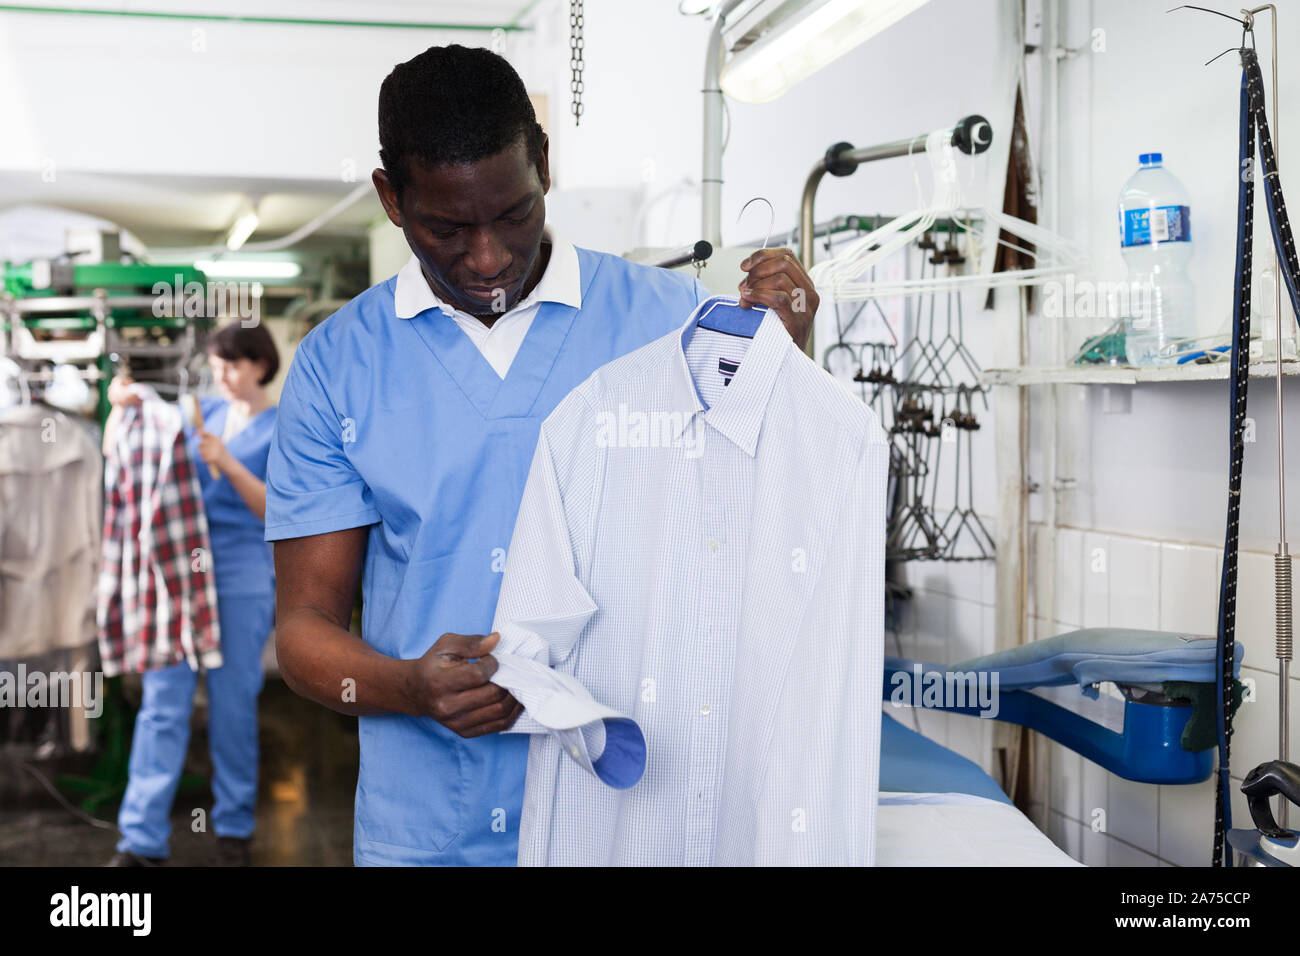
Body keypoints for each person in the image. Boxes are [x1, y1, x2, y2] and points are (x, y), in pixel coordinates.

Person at [266, 44, 820, 866]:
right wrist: (410, 688)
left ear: (545, 165)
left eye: (514, 213)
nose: (487, 259)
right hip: (434, 827)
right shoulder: (338, 367)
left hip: (641, 810)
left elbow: (777, 509)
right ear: (391, 198)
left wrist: (791, 360)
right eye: (446, 227)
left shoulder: (671, 322)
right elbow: (303, 633)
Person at [105, 322, 280, 867]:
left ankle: (233, 831)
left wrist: (226, 462)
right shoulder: (198, 413)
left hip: (241, 575)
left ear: (260, 364)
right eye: (216, 365)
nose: (222, 376)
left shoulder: (285, 428)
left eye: (233, 364)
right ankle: (142, 840)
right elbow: (133, 436)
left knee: (232, 709)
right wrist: (124, 401)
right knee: (162, 703)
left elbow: (281, 513)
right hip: (181, 576)